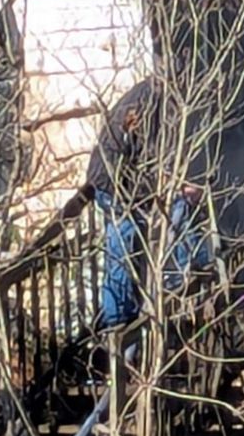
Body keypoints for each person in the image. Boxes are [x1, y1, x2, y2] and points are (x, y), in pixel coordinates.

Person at [86, 79, 212, 329]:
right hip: (114, 185)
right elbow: (146, 161)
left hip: (129, 182)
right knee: (122, 247)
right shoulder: (149, 106)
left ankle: (189, 280)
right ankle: (120, 324)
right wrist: (175, 185)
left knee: (177, 212)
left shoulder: (157, 100)